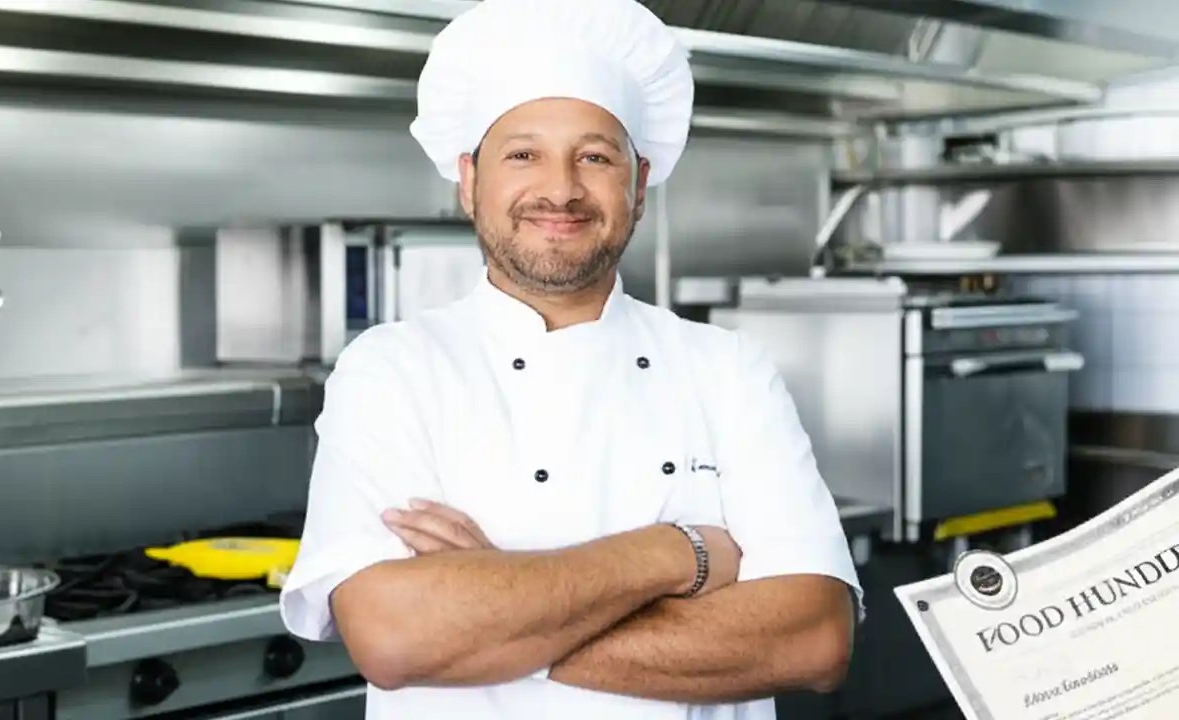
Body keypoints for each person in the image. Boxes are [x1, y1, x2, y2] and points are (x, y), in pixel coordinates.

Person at [279, 0, 863, 717]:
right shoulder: (390, 369)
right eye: (523, 154)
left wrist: (488, 615)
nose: (560, 189)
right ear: (469, 181)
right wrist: (675, 552)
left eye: (594, 157)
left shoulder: (727, 369)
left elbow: (813, 641)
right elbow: (394, 639)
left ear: (638, 185)